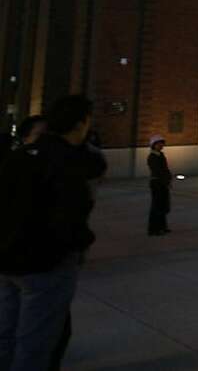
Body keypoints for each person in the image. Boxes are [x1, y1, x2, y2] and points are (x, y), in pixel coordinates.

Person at [0, 95, 107, 370]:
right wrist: (79, 244)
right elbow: (71, 212)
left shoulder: (21, 156)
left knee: (7, 333)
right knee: (35, 342)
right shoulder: (66, 162)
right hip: (45, 261)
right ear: (82, 123)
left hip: (8, 259)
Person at [147, 135, 172, 236]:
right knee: (156, 206)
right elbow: (157, 171)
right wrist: (165, 179)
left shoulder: (161, 155)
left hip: (163, 183)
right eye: (159, 144)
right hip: (156, 182)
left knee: (163, 205)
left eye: (162, 143)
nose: (161, 145)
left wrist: (169, 179)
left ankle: (162, 226)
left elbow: (165, 168)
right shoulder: (152, 157)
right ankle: (153, 229)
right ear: (154, 145)